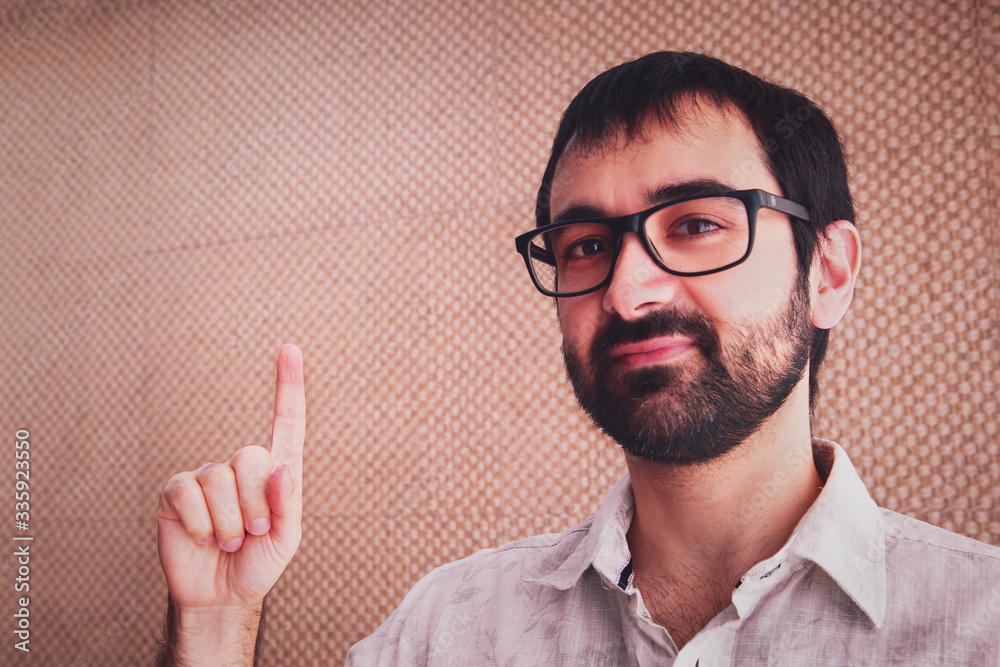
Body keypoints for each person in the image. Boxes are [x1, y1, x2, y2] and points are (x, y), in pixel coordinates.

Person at [155, 52, 1000, 665]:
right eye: (587, 244)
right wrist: (217, 625)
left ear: (829, 271)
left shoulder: (978, 624)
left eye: (697, 223)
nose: (629, 291)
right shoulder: (448, 628)